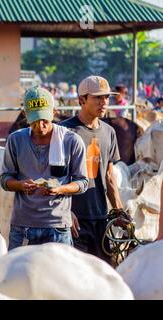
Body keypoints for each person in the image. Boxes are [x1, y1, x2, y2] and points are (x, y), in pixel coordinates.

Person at [0, 86, 88, 250]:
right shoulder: (15, 140)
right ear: (26, 116)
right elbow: (5, 179)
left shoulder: (72, 141)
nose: (40, 126)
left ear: (54, 113)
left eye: (45, 120)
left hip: (58, 226)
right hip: (23, 227)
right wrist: (20, 185)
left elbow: (82, 182)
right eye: (34, 121)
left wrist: (60, 189)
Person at [60, 75, 124, 264]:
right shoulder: (64, 132)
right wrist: (65, 211)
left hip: (101, 218)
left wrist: (119, 210)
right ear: (81, 100)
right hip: (74, 220)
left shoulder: (109, 132)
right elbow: (53, 177)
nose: (104, 102)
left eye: (106, 97)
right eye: (97, 97)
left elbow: (109, 175)